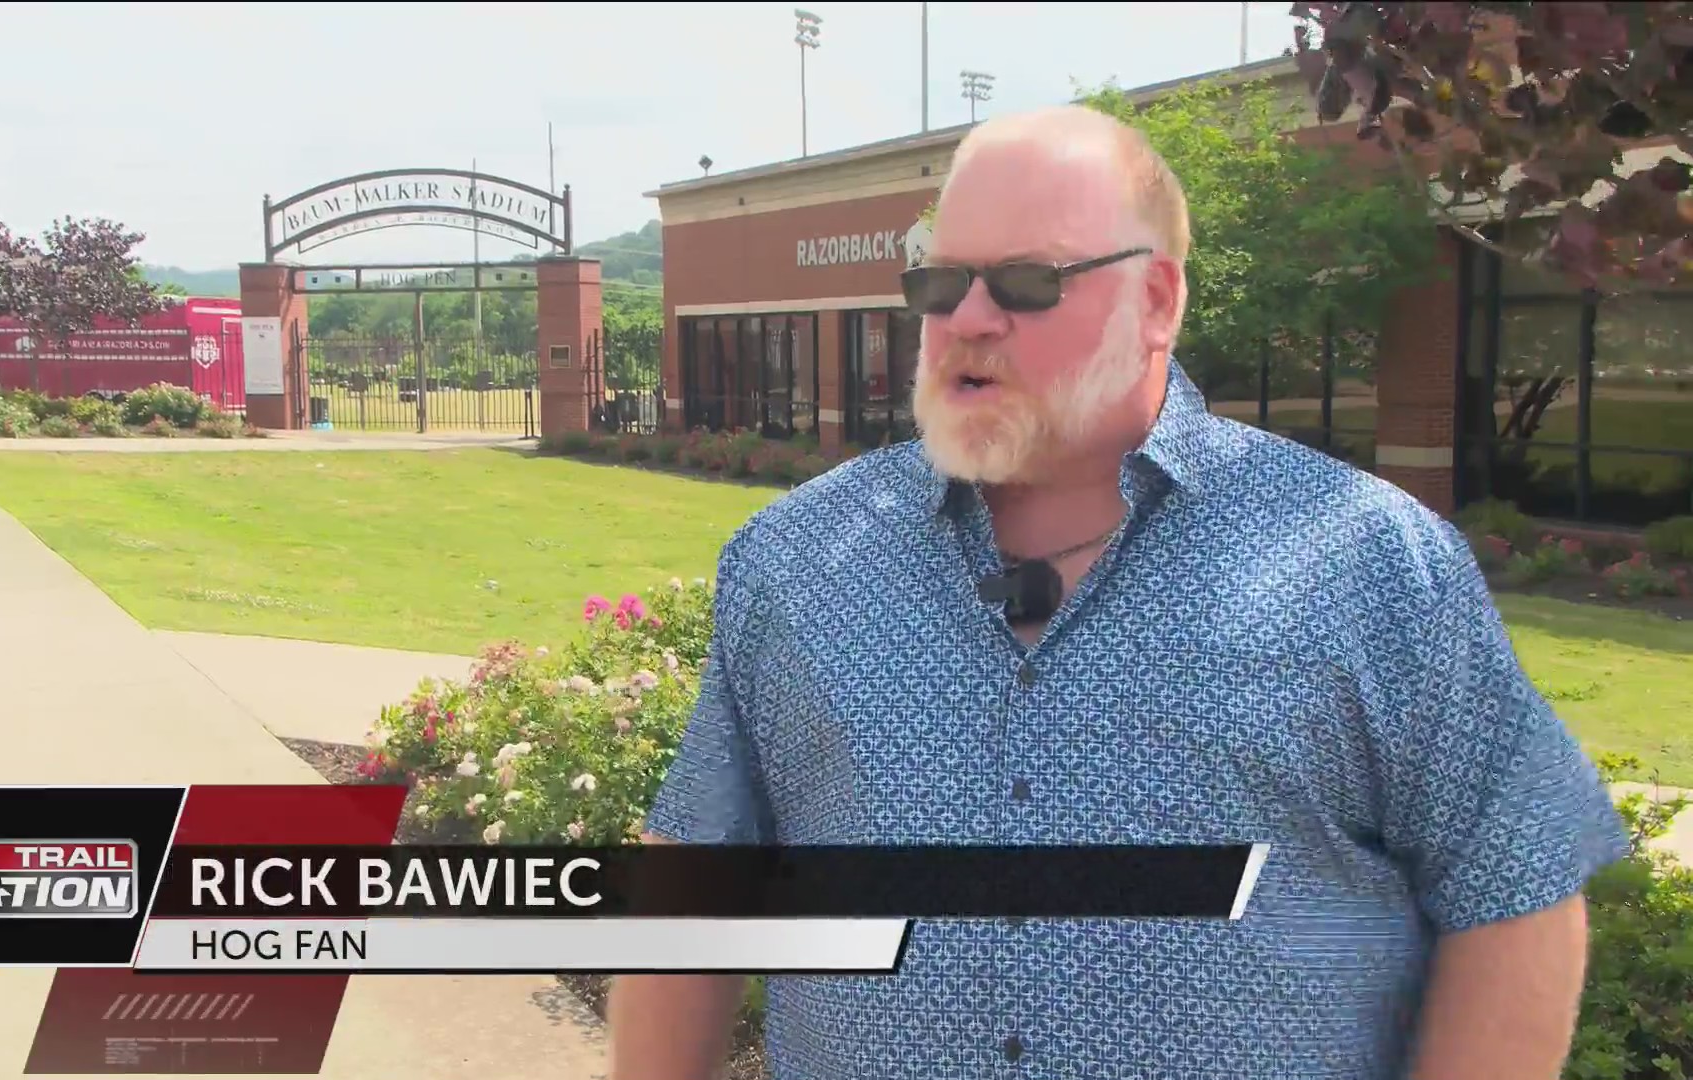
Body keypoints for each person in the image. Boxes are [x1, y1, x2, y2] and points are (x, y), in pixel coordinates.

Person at [606, 104, 1629, 1080]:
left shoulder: (1370, 563)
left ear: (1157, 302)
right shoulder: (794, 561)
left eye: (1026, 282)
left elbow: (1519, 889)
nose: (967, 319)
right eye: (941, 281)